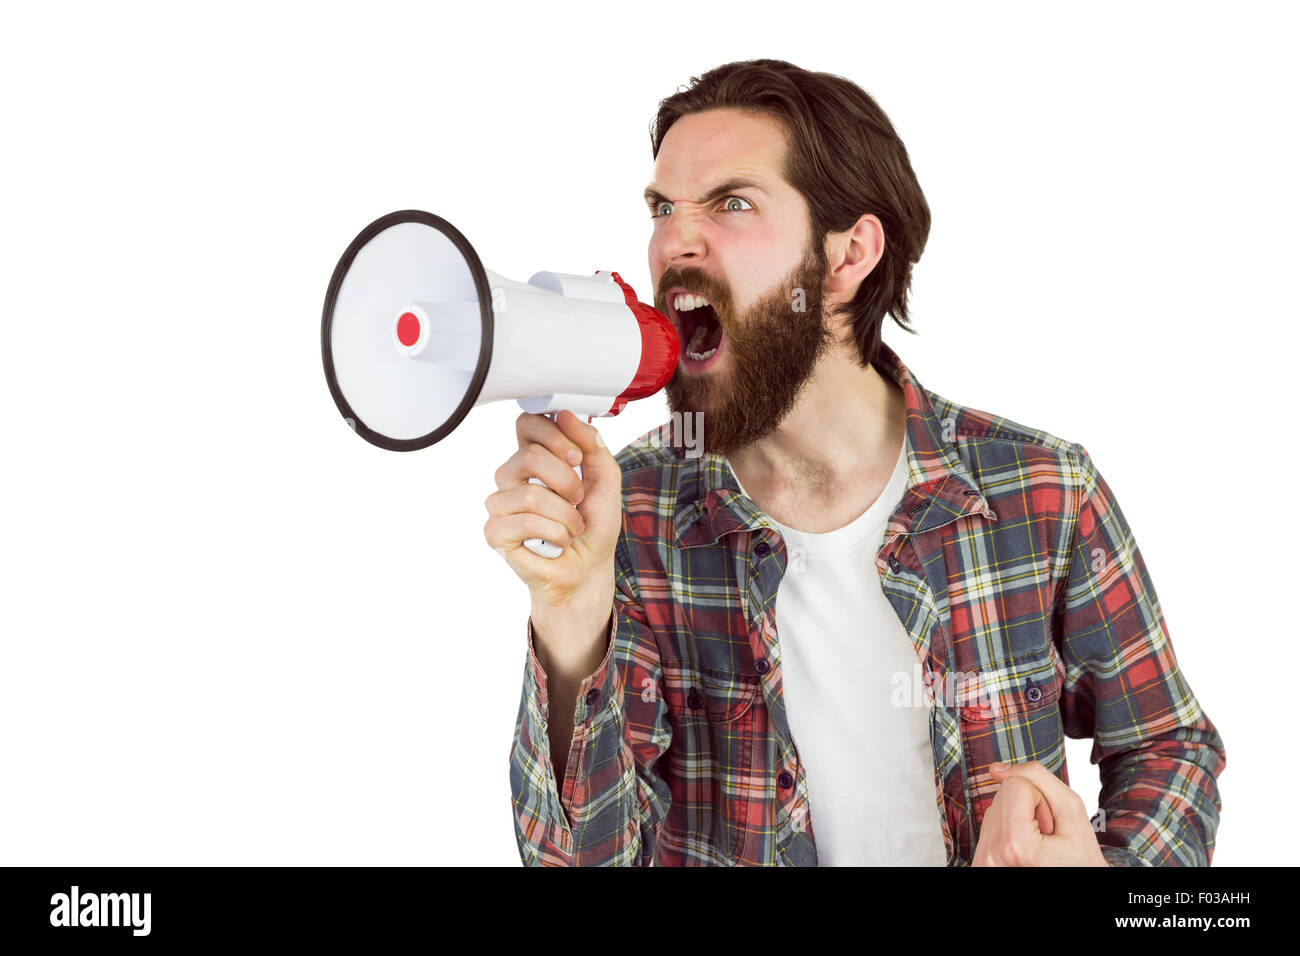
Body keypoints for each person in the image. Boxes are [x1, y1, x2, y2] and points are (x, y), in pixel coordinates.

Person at [484, 58, 1226, 866]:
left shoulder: (1043, 491)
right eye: (663, 207)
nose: (673, 241)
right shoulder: (630, 511)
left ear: (847, 257)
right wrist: (569, 622)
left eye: (732, 202)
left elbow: (1166, 749)